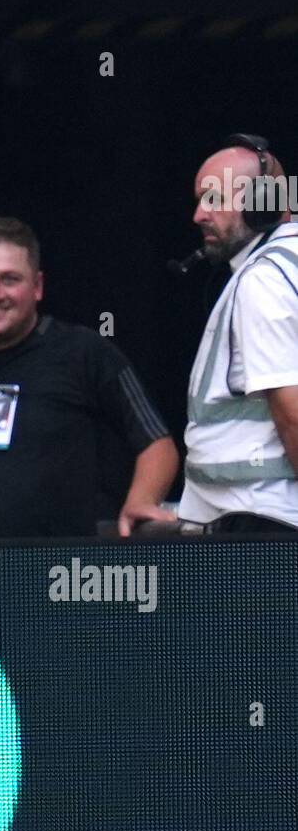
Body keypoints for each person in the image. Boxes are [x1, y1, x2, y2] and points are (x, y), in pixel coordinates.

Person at [0, 214, 179, 540]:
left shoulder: (84, 352)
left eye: (10, 279)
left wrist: (140, 500)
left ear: (37, 286)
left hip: (56, 571)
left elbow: (157, 444)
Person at [179, 135, 298, 534]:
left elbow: (292, 414)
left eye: (213, 198)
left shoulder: (264, 279)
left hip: (263, 519)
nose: (198, 214)